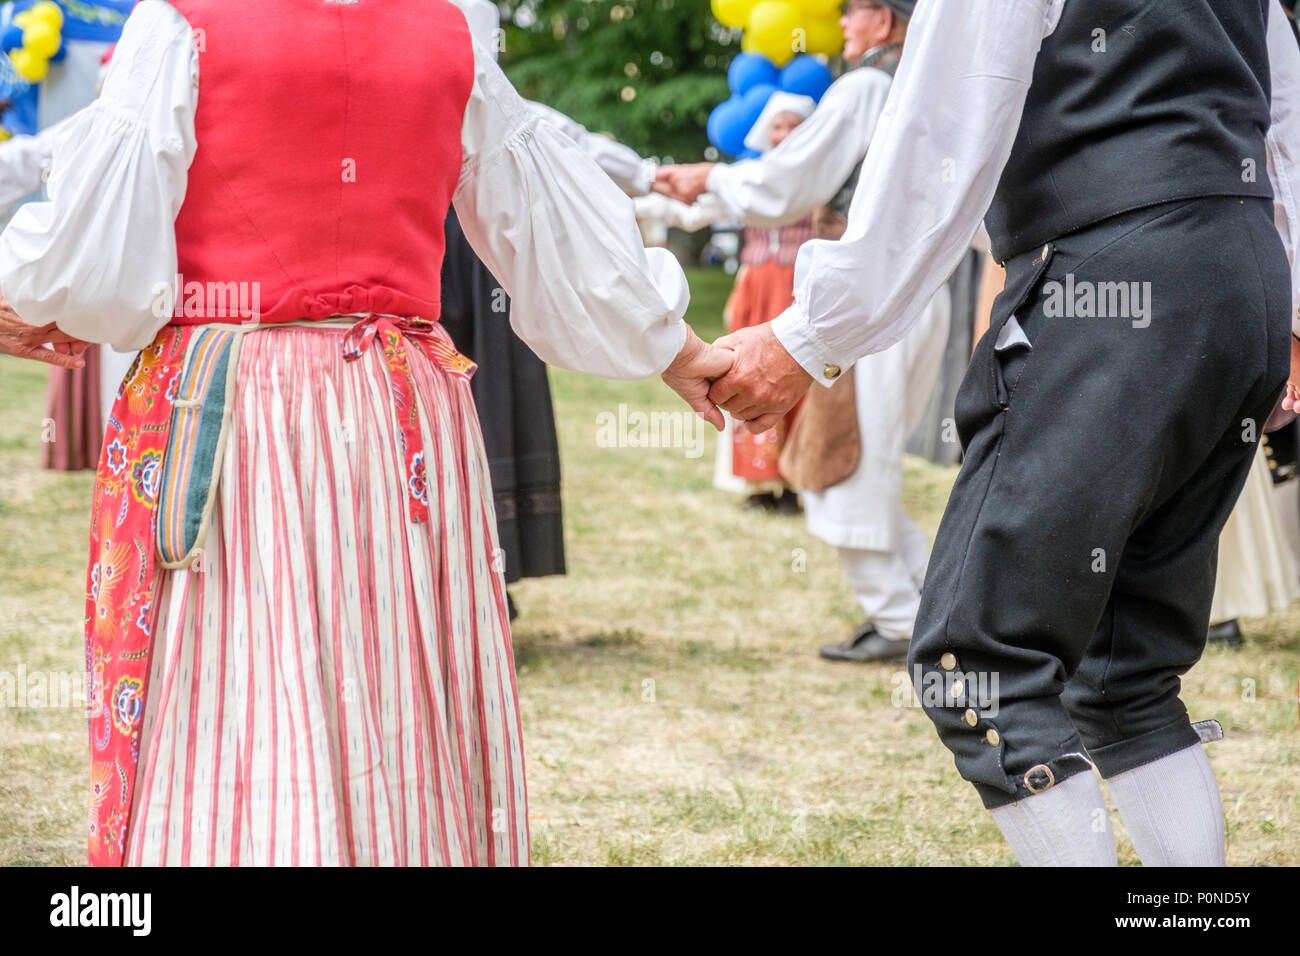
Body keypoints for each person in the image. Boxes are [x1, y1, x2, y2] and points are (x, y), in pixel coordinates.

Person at [0, 0, 730, 867]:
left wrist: (20, 289)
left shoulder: (183, 21)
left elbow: (100, 259)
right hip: (400, 403)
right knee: (391, 674)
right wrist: (670, 340)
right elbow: (541, 221)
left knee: (243, 677)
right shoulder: (452, 24)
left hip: (237, 404)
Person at [706, 0, 1300, 866]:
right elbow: (1285, 111)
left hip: (1115, 280)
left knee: (977, 665)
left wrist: (813, 333)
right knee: (1125, 673)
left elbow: (946, 129)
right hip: (1238, 274)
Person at [657, 0, 951, 662]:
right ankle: (930, 611)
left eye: (853, 12)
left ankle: (905, 622)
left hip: (868, 291)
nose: (842, 24)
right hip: (919, 294)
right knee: (869, 461)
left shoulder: (868, 86)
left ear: (883, 19)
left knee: (843, 460)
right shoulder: (937, 84)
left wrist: (713, 178)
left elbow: (788, 180)